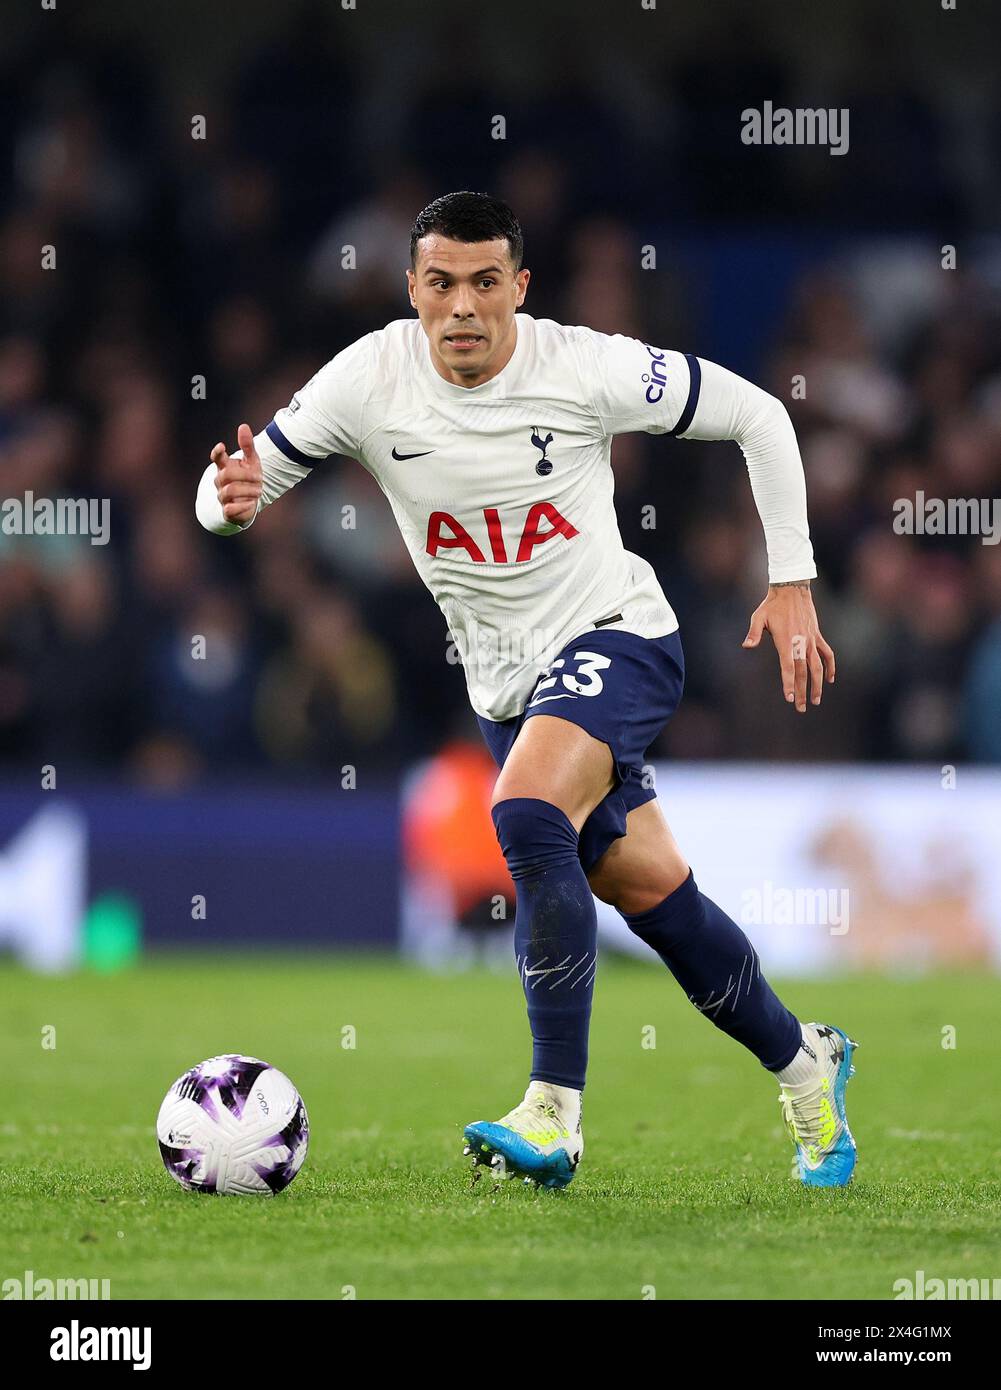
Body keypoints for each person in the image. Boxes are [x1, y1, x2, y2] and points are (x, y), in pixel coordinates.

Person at [196, 190, 857, 1191]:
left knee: (524, 808)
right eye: (440, 283)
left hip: (618, 636)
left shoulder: (581, 366)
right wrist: (224, 507)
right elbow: (231, 491)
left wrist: (793, 578)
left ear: (519, 286)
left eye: (484, 282)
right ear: (412, 288)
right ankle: (805, 1059)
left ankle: (553, 1112)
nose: (462, 306)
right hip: (503, 687)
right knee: (655, 899)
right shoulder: (367, 380)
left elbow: (756, 415)